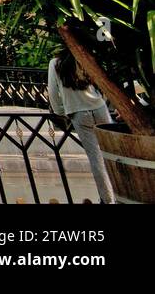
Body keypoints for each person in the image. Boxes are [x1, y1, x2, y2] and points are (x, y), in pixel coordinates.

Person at [48, 47, 116, 204]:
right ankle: (121, 194)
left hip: (78, 113)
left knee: (96, 159)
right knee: (110, 155)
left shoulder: (55, 63)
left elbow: (53, 92)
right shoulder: (85, 57)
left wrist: (61, 111)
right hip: (100, 108)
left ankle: (108, 199)